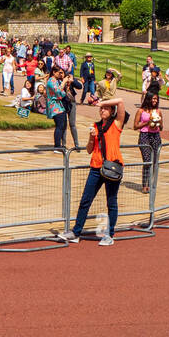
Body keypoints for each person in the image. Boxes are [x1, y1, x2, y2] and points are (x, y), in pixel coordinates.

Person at [65, 97, 125, 247]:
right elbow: (89, 149)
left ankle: (109, 234)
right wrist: (92, 139)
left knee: (111, 202)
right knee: (85, 200)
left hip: (111, 167)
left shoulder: (116, 124)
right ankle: (76, 232)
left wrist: (103, 101)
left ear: (111, 111)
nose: (102, 110)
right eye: (101, 108)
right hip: (96, 167)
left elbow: (121, 101)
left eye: (105, 108)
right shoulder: (96, 126)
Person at [135, 91, 163, 195]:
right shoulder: (141, 111)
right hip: (144, 136)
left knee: (155, 161)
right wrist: (148, 122)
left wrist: (157, 123)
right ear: (148, 99)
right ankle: (144, 185)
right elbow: (135, 126)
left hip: (155, 136)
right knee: (147, 161)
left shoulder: (158, 111)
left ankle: (152, 184)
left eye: (156, 99)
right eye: (153, 98)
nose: (155, 100)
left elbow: (162, 127)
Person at [46, 71, 68, 149]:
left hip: (59, 106)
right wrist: (64, 82)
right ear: (54, 72)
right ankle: (57, 146)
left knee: (63, 125)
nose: (60, 74)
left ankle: (59, 145)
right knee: (59, 126)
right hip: (54, 106)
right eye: (59, 72)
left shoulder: (56, 81)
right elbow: (58, 91)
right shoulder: (51, 81)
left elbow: (62, 94)